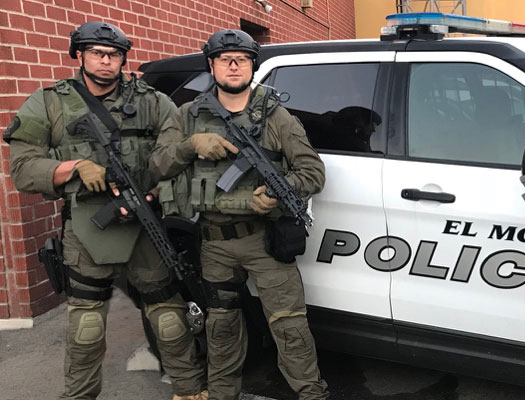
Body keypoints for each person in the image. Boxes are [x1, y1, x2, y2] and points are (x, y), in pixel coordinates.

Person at [2, 21, 207, 400]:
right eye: (97, 53)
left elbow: (180, 159)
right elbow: (23, 169)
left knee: (168, 314)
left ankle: (190, 389)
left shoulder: (153, 102)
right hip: (86, 227)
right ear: (79, 55)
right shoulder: (49, 102)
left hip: (145, 224)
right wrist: (74, 168)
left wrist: (157, 193)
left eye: (114, 54)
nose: (106, 61)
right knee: (87, 325)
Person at [149, 29, 329, 400]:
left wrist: (278, 193)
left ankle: (312, 393)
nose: (234, 66)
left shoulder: (276, 116)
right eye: (225, 59)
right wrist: (190, 145)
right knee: (222, 328)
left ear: (252, 65)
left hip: (264, 241)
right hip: (214, 243)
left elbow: (313, 172)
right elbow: (158, 166)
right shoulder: (188, 116)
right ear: (211, 65)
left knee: (290, 328)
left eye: (242, 59)